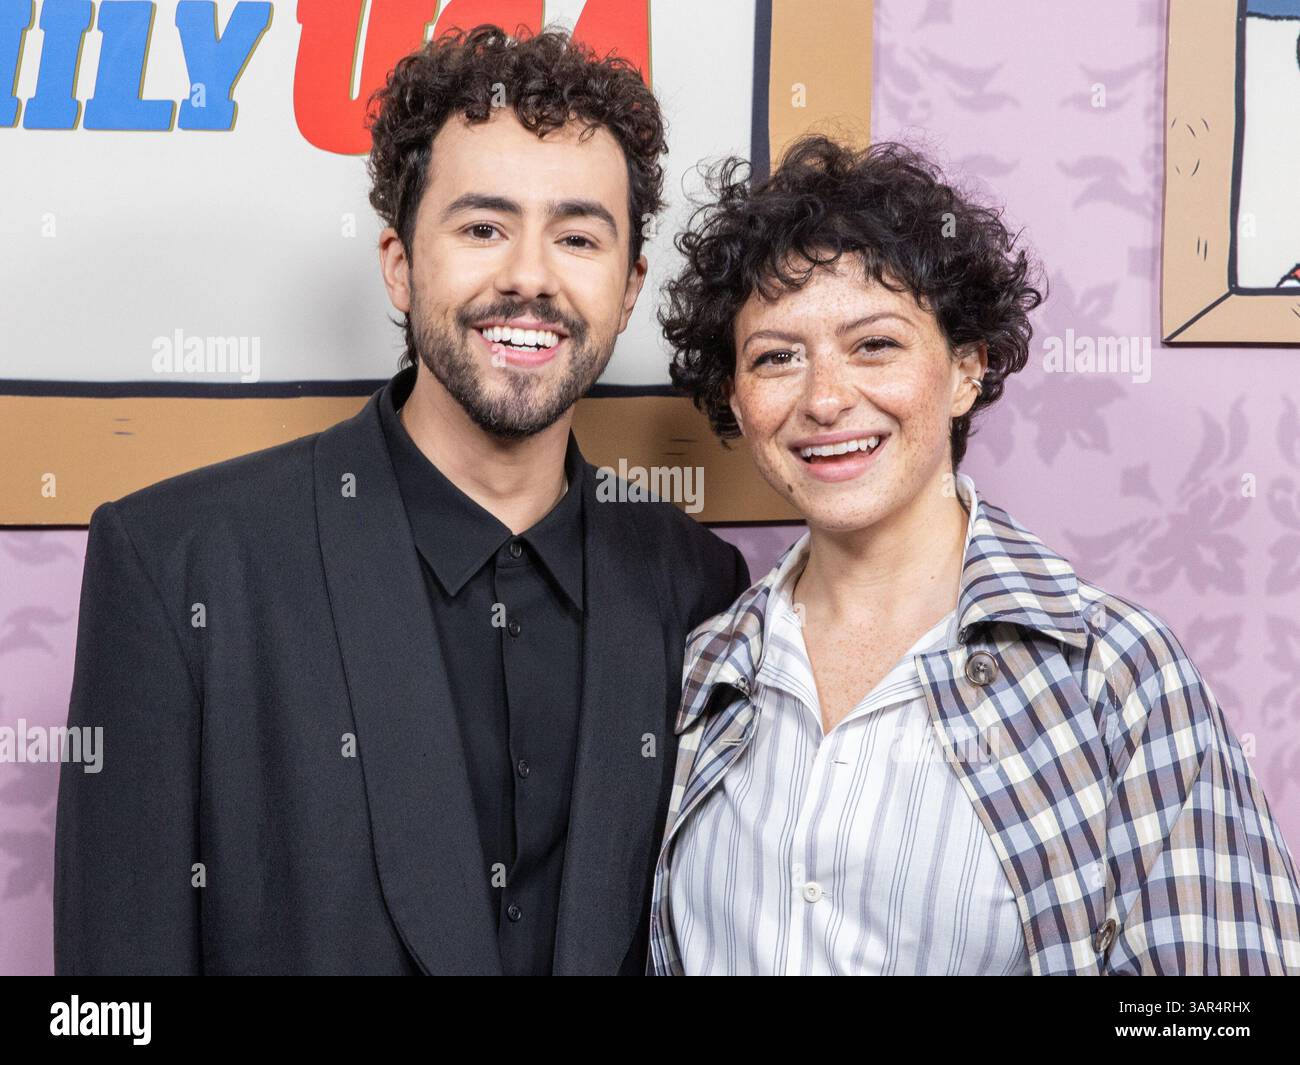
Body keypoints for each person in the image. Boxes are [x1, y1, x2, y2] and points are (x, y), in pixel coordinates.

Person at [54, 24, 748, 976]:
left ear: (628, 289)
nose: (530, 277)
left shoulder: (698, 583)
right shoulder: (176, 563)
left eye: (578, 236)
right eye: (482, 227)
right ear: (398, 262)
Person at [648, 135, 1300, 975]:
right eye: (777, 357)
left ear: (966, 366)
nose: (826, 398)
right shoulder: (701, 674)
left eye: (874, 344)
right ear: (736, 396)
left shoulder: (1111, 672)